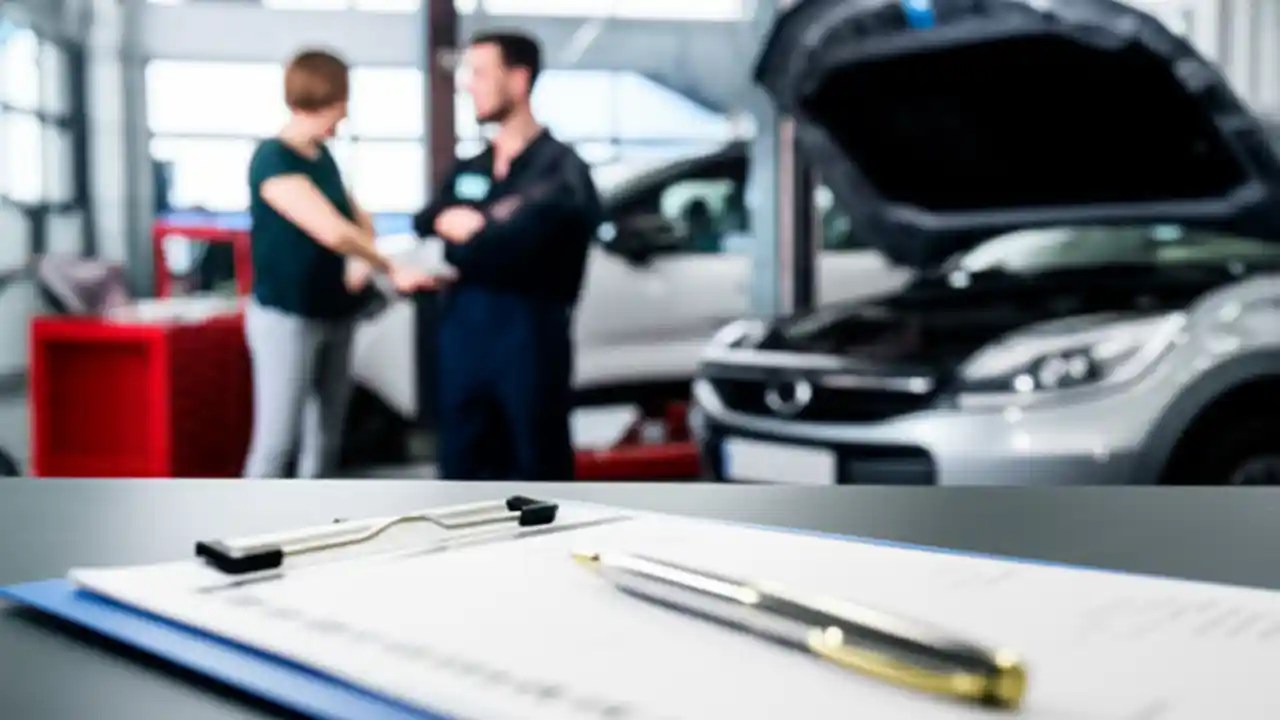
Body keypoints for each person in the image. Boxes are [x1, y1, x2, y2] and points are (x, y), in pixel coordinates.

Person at [414, 31, 602, 481]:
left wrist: (476, 229)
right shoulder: (470, 167)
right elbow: (428, 217)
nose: (467, 85)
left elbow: (524, 234)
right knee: (459, 470)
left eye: (479, 73)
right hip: (462, 334)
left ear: (518, 80)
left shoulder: (562, 168)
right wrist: (467, 224)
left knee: (537, 468)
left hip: (530, 338)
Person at [242, 48, 437, 479]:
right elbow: (331, 230)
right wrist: (389, 266)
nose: (344, 116)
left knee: (326, 438)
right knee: (277, 442)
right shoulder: (273, 159)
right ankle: (243, 535)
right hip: (286, 317)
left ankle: (314, 529)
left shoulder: (321, 156)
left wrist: (360, 261)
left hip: (335, 313)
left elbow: (356, 217)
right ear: (322, 98)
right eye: (340, 103)